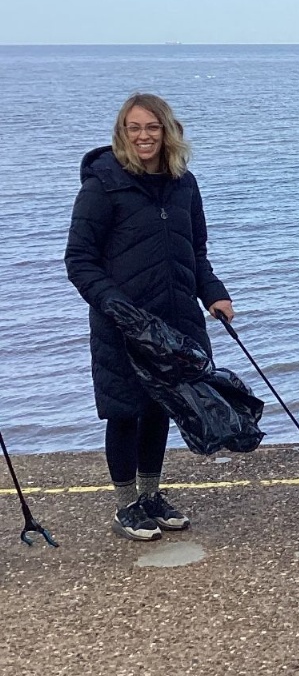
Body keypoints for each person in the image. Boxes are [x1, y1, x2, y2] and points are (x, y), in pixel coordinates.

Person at [65, 93, 234, 541]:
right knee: (125, 411)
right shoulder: (103, 184)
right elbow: (79, 260)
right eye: (134, 128)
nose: (144, 136)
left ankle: (152, 496)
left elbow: (195, 252)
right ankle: (126, 507)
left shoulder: (184, 183)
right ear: (122, 133)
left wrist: (213, 293)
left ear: (168, 132)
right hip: (120, 324)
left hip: (175, 321)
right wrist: (115, 306)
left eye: (152, 128)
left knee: (161, 408)